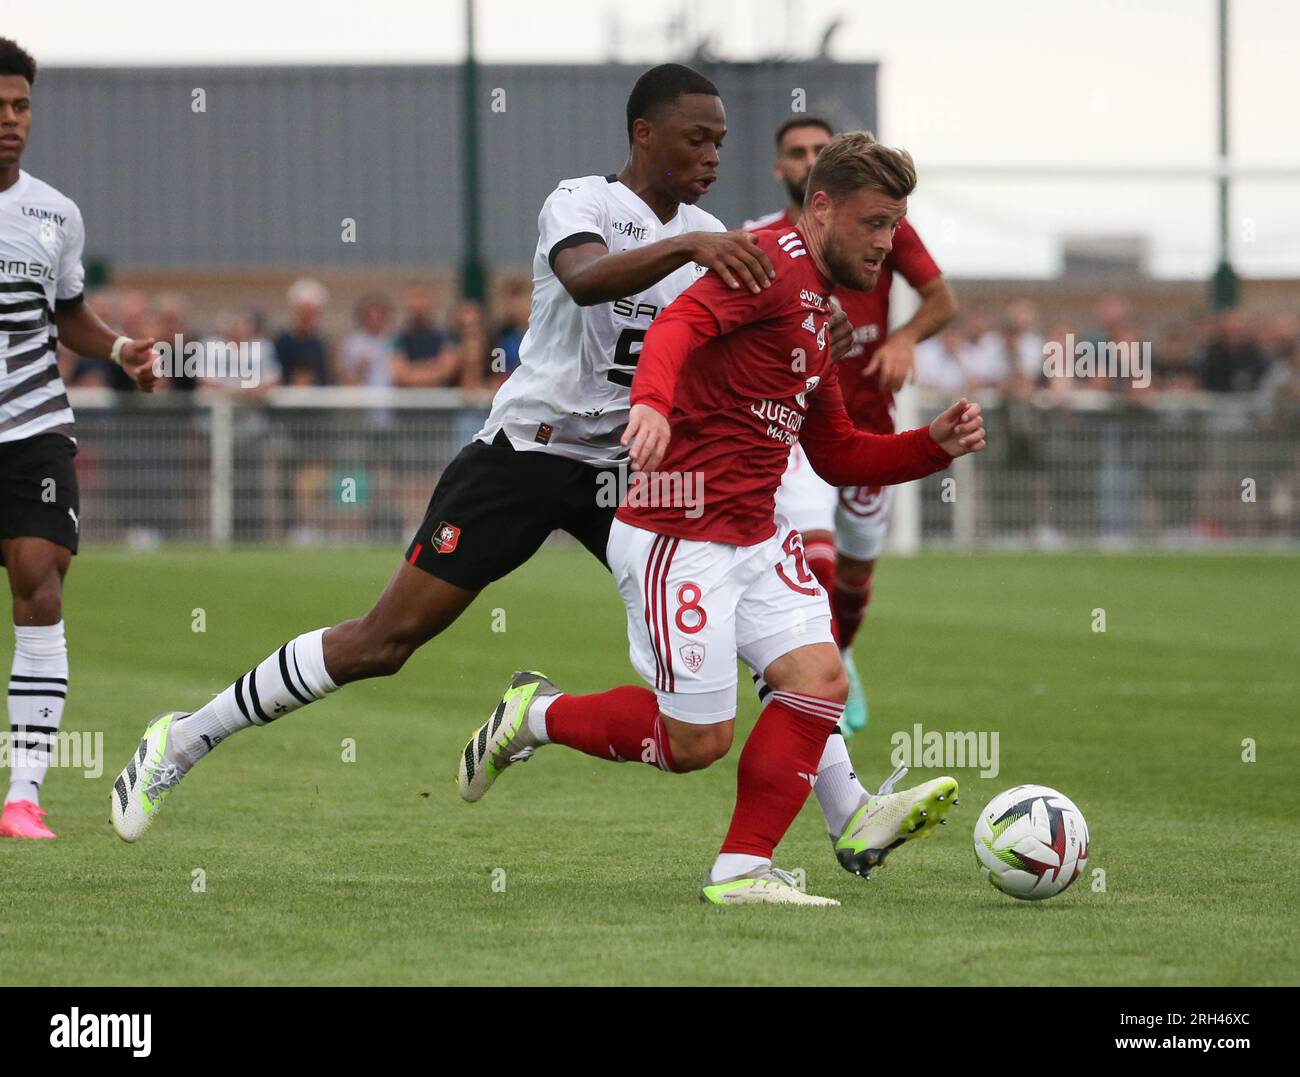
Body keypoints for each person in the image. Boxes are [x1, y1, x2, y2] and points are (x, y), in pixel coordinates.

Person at [109, 62, 782, 841]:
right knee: (382, 642)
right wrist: (695, 247)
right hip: (524, 458)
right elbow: (589, 278)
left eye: (721, 143)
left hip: (626, 476)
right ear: (644, 133)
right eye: (697, 138)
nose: (713, 156)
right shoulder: (583, 201)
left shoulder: (706, 240)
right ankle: (185, 737)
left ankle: (844, 809)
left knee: (754, 631)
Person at [459, 132, 985, 905]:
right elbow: (677, 328)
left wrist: (930, 447)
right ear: (823, 207)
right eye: (874, 224)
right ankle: (534, 716)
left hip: (756, 535)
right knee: (695, 742)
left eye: (895, 227)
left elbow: (837, 452)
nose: (886, 244)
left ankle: (743, 869)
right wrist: (650, 406)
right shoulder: (767, 261)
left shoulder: (818, 307)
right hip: (681, 537)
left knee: (819, 681)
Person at [746, 117, 958, 735]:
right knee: (820, 562)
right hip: (798, 435)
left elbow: (942, 298)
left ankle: (837, 657)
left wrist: (902, 339)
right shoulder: (759, 242)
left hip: (869, 425)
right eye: (796, 152)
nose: (809, 158)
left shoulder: (881, 226)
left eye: (819, 148)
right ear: (783, 170)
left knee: (859, 572)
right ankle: (819, 697)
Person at [0, 38, 156, 839]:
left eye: (21, 106)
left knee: (41, 585)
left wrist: (120, 348)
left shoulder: (54, 213)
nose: (10, 121)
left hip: (32, 428)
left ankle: (22, 795)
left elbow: (68, 316)